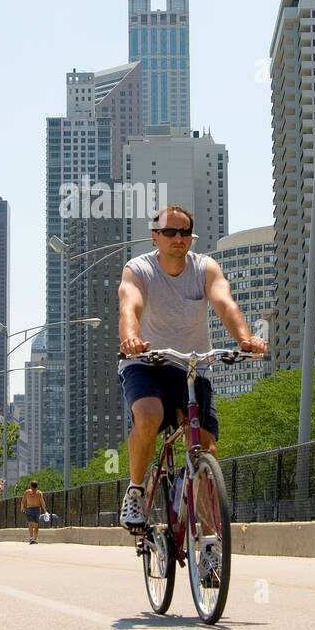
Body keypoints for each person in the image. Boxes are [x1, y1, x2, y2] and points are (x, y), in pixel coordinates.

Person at [117, 205, 267, 575]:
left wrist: (245, 338)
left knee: (204, 450)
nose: (178, 239)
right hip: (147, 363)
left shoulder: (205, 268)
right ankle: (136, 490)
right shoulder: (139, 269)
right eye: (170, 233)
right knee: (149, 415)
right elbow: (129, 306)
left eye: (185, 232)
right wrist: (131, 338)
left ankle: (210, 546)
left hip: (191, 365)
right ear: (156, 237)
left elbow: (223, 301)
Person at [22, 480, 48, 545]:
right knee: (31, 523)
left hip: (36, 509)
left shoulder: (39, 493)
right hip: (30, 509)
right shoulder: (27, 492)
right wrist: (22, 507)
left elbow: (42, 502)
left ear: (31, 486)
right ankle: (31, 538)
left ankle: (35, 539)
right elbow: (23, 501)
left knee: (36, 525)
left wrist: (45, 511)